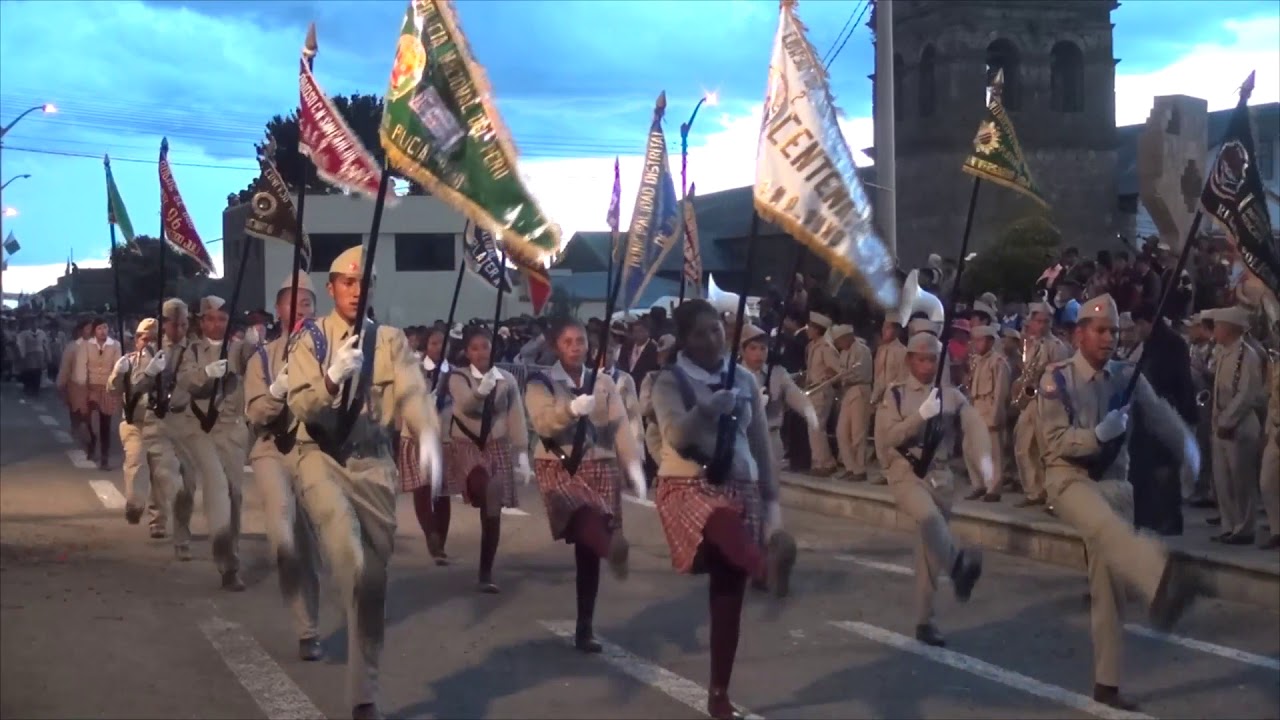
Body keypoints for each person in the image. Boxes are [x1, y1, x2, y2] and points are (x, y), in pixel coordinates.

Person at [288, 245, 442, 720]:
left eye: (363, 284)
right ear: (331, 287)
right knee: (350, 559)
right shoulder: (310, 340)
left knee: (372, 587)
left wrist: (428, 437)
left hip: (375, 466)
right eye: (346, 283)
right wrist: (332, 380)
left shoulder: (390, 341)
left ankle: (363, 697)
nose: (356, 291)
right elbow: (302, 408)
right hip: (322, 459)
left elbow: (413, 393)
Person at [1037, 292, 1206, 709]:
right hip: (1071, 479)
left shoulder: (1126, 375)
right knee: (1105, 527)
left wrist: (1187, 446)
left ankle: (1107, 684)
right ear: (1080, 334)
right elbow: (1055, 442)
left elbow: (1159, 412)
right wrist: (1096, 436)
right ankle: (1162, 580)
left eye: (1114, 331)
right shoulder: (1056, 379)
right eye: (1100, 330)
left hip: (1115, 485)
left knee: (1109, 589)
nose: (1109, 338)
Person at [649, 299, 797, 720]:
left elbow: (760, 446)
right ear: (684, 338)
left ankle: (719, 692)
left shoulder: (745, 379)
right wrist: (708, 409)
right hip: (688, 484)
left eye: (716, 330)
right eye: (700, 333)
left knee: (729, 593)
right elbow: (674, 434)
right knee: (719, 518)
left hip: (741, 482)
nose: (712, 339)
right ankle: (766, 569)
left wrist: (772, 506)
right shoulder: (669, 380)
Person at [525, 318, 645, 654]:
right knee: (585, 521)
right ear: (556, 347)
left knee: (588, 554)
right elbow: (544, 423)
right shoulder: (541, 381)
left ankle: (585, 626)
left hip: (600, 464)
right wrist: (571, 409)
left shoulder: (604, 382)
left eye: (581, 341)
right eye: (568, 342)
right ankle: (612, 548)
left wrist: (633, 466)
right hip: (560, 466)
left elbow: (620, 426)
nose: (577, 347)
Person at [873, 332, 988, 648]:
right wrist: (919, 417)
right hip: (906, 475)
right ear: (910, 360)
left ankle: (925, 621)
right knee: (928, 518)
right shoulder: (894, 396)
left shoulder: (951, 396)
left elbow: (973, 424)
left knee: (928, 557)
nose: (926, 365)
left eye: (932, 359)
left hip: (941, 478)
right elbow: (889, 439)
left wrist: (985, 461)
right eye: (921, 359)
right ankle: (959, 566)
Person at [243, 274, 323, 661]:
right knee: (284, 532)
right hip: (272, 449)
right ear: (278, 309)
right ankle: (305, 627)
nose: (301, 310)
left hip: (315, 452)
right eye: (293, 303)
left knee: (309, 544)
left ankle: (311, 621)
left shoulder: (330, 353)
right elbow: (256, 414)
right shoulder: (262, 357)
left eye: (307, 303)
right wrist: (276, 392)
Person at [443, 325, 531, 592]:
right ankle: (484, 492)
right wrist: (482, 390)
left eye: (486, 346)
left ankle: (486, 571)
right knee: (483, 483)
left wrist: (523, 452)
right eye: (475, 347)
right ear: (467, 352)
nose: (482, 352)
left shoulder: (507, 379)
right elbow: (465, 404)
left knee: (491, 514)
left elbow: (516, 415)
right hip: (468, 445)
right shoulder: (458, 377)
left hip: (497, 447)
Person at [177, 296, 256, 590]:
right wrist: (207, 375)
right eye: (210, 318)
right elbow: (187, 382)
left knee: (235, 495)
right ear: (201, 321)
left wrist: (254, 340)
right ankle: (227, 564)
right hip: (201, 429)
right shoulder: (191, 351)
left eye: (222, 319)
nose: (216, 324)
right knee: (217, 490)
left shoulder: (239, 348)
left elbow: (260, 363)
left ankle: (229, 552)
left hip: (231, 430)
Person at [108, 318, 181, 540]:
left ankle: (158, 521)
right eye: (143, 338)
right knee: (136, 465)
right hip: (135, 425)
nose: (147, 342)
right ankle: (135, 504)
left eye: (152, 338)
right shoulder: (128, 362)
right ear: (136, 340)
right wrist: (119, 374)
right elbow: (113, 390)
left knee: (163, 475)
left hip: (161, 425)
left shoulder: (168, 363)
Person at [1206, 305, 1265, 545]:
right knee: (1223, 480)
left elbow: (1247, 394)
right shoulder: (1223, 352)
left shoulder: (1247, 355)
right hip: (1219, 423)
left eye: (1219, 326)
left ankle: (1245, 527)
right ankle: (1229, 525)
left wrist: (1228, 420)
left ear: (1230, 329)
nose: (1215, 331)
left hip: (1240, 426)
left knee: (1241, 480)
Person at [399, 326, 453, 563]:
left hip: (442, 437)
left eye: (443, 343)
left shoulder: (454, 374)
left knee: (441, 491)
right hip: (413, 436)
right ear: (425, 346)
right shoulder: (415, 369)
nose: (439, 348)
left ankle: (440, 541)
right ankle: (430, 534)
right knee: (421, 488)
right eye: (434, 343)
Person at [1012, 302, 1071, 507]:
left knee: (1048, 450)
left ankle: (1054, 497)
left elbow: (1061, 377)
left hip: (1049, 401)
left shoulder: (1057, 347)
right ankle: (1033, 491)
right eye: (1038, 321)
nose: (1042, 325)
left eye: (1046, 321)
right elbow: (1025, 368)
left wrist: (1043, 373)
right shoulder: (1030, 343)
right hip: (1031, 398)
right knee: (1023, 444)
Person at [964, 325, 1010, 501]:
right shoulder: (977, 360)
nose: (977, 344)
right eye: (975, 340)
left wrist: (996, 415)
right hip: (976, 406)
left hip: (989, 406)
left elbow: (1000, 391)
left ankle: (994, 488)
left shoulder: (998, 362)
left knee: (993, 451)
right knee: (969, 447)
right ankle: (979, 484)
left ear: (990, 341)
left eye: (981, 340)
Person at [78, 318, 122, 469]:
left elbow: (117, 367)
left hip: (108, 387)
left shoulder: (115, 345)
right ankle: (92, 442)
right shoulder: (86, 345)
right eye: (99, 328)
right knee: (90, 420)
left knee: (106, 423)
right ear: (94, 331)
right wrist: (82, 386)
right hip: (91, 387)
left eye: (105, 327)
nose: (103, 331)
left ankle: (104, 457)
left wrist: (115, 387)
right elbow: (82, 366)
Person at [832, 324, 873, 482]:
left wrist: (838, 377)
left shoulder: (862, 350)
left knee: (858, 433)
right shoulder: (843, 353)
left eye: (840, 340)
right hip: (847, 392)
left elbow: (858, 372)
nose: (839, 344)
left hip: (860, 390)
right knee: (841, 432)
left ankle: (860, 469)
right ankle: (850, 467)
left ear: (848, 337)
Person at [803, 312, 841, 476]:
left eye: (810, 327)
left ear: (818, 329)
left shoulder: (826, 347)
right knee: (813, 428)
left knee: (818, 427)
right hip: (812, 390)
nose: (808, 330)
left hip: (822, 390)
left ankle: (826, 462)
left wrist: (826, 379)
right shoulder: (813, 345)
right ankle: (818, 461)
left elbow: (837, 370)